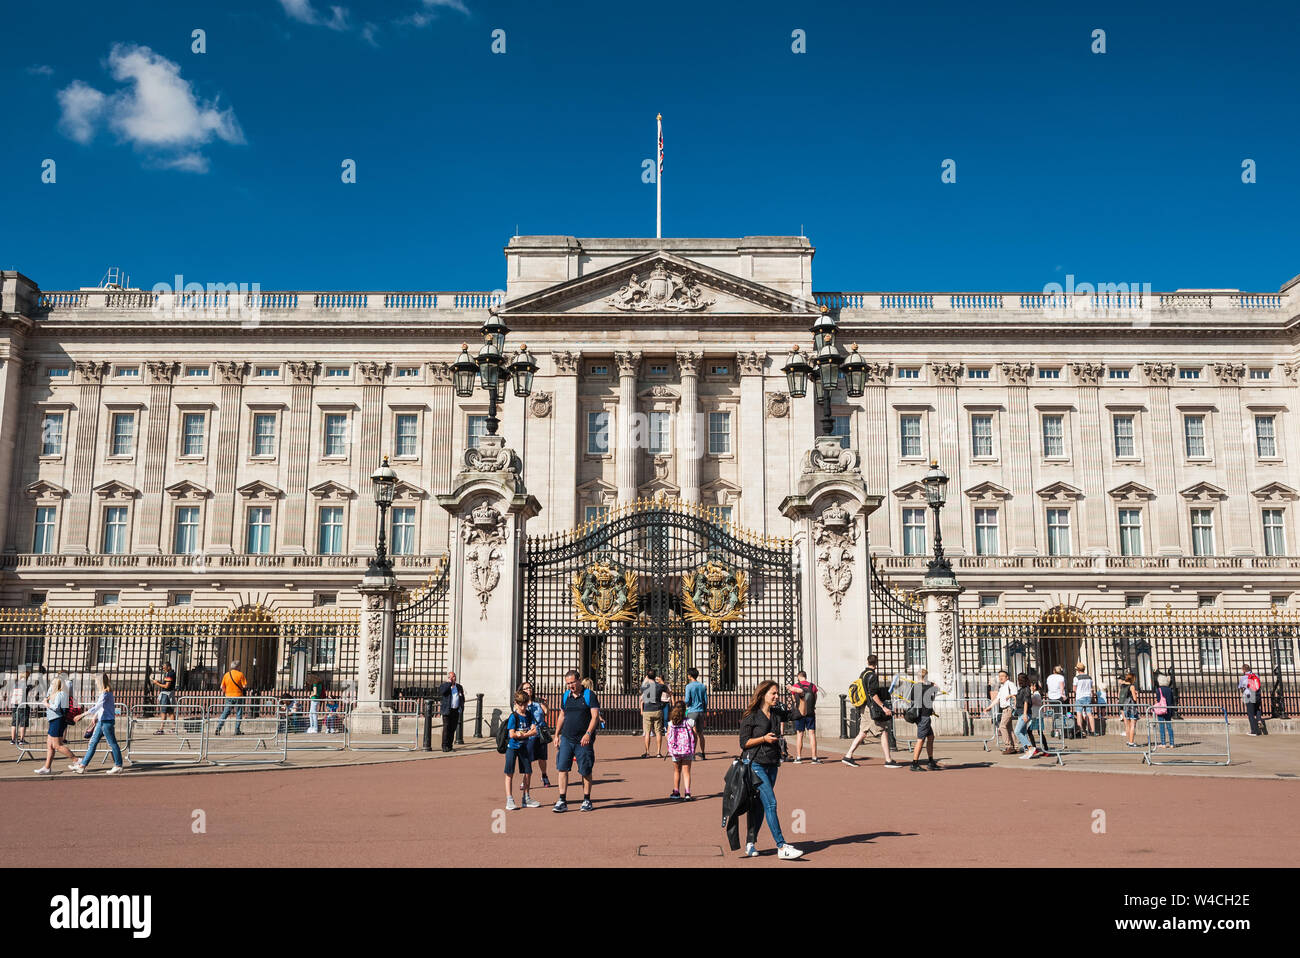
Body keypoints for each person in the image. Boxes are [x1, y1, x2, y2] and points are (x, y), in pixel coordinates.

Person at [738, 680, 803, 859]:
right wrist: (763, 739)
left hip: (772, 763)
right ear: (763, 694)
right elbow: (744, 743)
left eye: (777, 693)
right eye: (773, 693)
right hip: (755, 764)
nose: (776, 696)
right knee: (771, 803)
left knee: (760, 805)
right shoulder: (750, 715)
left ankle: (750, 843)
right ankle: (781, 846)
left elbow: (798, 714)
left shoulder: (776, 712)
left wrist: (802, 696)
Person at [842, 655, 902, 767]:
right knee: (883, 731)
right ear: (876, 663)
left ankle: (848, 755)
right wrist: (883, 707)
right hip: (871, 707)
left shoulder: (863, 674)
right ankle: (888, 760)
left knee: (863, 732)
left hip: (864, 707)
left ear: (867, 662)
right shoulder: (872, 676)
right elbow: (873, 694)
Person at [553, 669, 599, 813]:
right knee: (562, 768)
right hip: (567, 738)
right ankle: (562, 799)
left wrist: (588, 734)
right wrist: (556, 734)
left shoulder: (589, 695)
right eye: (568, 683)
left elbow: (595, 716)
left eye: (572, 682)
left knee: (585, 769)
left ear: (579, 680)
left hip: (583, 740)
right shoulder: (566, 696)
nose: (570, 686)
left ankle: (586, 799)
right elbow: (562, 715)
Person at [69, 673, 124, 774]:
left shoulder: (105, 693)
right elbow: (103, 708)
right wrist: (95, 717)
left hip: (106, 722)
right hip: (102, 721)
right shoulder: (106, 693)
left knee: (112, 744)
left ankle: (118, 765)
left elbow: (97, 707)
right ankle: (82, 766)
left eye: (96, 681)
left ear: (100, 682)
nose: (95, 683)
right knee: (93, 743)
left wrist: (82, 715)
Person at [503, 691, 541, 810]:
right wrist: (525, 734)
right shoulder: (513, 717)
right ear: (516, 704)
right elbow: (512, 734)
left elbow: (534, 730)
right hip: (513, 748)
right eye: (521, 705)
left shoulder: (529, 714)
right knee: (510, 773)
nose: (523, 707)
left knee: (527, 772)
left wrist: (523, 735)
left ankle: (526, 797)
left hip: (524, 747)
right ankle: (509, 799)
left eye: (525, 704)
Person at [35, 676, 77, 774]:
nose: (51, 685)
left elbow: (56, 707)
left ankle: (76, 760)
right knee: (50, 745)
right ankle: (47, 768)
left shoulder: (60, 693)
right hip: (53, 720)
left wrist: (46, 704)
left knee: (57, 746)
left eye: (53, 683)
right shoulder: (54, 693)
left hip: (57, 720)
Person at [907, 668, 942, 770]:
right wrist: (931, 683)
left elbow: (912, 700)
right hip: (924, 716)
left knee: (930, 737)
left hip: (919, 715)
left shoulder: (915, 686)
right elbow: (937, 690)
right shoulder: (929, 687)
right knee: (920, 739)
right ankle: (914, 763)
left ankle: (931, 761)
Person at [519, 680, 551, 787]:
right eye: (526, 688)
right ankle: (525, 779)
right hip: (529, 736)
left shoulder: (538, 703)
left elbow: (546, 713)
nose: (529, 690)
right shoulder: (521, 705)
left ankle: (544, 775)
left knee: (542, 758)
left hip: (540, 734)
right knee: (528, 759)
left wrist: (545, 704)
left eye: (530, 688)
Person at [786, 671, 821, 763]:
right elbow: (815, 697)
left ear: (798, 677)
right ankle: (814, 757)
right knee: (812, 734)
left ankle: (798, 757)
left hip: (799, 713)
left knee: (799, 734)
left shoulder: (796, 686)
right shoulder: (812, 686)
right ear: (806, 676)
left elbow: (794, 699)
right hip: (810, 712)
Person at [665, 700, 697, 799]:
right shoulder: (690, 722)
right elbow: (695, 736)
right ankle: (687, 793)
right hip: (687, 749)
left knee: (676, 771)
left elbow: (667, 736)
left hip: (675, 750)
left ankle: (676, 791)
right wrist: (693, 748)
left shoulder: (671, 723)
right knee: (686, 771)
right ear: (685, 711)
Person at [983, 669, 1018, 754]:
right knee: (1009, 728)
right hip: (1004, 709)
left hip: (1009, 708)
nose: (1000, 678)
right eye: (999, 676)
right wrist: (989, 707)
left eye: (1002, 676)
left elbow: (1015, 694)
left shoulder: (1010, 684)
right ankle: (1015, 747)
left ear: (1007, 677)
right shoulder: (1002, 687)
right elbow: (997, 699)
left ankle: (1008, 746)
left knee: (1002, 726)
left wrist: (1011, 700)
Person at [212, 660, 248, 736]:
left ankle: (218, 727)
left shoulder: (226, 675)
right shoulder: (240, 674)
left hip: (229, 696)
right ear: (238, 667)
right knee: (239, 713)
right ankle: (237, 730)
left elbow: (222, 686)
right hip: (238, 696)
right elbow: (244, 686)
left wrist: (225, 692)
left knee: (225, 712)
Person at [1012, 672, 1041, 759]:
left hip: (1024, 713)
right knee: (1023, 733)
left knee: (1017, 731)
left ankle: (1030, 747)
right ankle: (1027, 751)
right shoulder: (1021, 689)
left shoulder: (1026, 689)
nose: (1018, 681)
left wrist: (1024, 714)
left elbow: (1026, 702)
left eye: (1019, 680)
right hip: (1021, 713)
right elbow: (1019, 698)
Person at [683, 667, 708, 759]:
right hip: (701, 711)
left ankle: (692, 753)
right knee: (700, 733)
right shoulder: (702, 686)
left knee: (692, 733)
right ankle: (703, 753)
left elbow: (687, 700)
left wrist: (686, 705)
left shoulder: (689, 686)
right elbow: (705, 701)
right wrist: (705, 711)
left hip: (692, 711)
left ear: (690, 676)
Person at [640, 669, 664, 759]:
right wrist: (661, 681)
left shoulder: (644, 686)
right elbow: (668, 690)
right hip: (657, 709)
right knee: (658, 731)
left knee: (647, 732)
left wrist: (646, 679)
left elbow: (642, 688)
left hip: (647, 710)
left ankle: (647, 752)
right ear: (655, 676)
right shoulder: (660, 686)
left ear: (647, 676)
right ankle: (658, 752)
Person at [438, 671, 464, 752]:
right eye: (452, 677)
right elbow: (442, 692)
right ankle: (444, 746)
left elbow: (462, 697)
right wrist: (448, 684)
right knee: (446, 728)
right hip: (447, 710)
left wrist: (461, 706)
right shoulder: (444, 686)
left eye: (454, 676)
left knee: (452, 728)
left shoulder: (459, 687)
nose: (453, 678)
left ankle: (450, 746)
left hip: (455, 710)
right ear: (449, 678)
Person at [151, 660, 177, 735]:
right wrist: (159, 682)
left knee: (164, 711)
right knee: (170, 711)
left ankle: (161, 729)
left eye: (165, 668)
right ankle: (173, 728)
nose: (164, 669)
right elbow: (166, 684)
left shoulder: (170, 674)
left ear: (169, 667)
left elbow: (166, 686)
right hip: (168, 694)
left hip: (166, 695)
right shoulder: (170, 673)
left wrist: (157, 684)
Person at [1072, 663, 1096, 737]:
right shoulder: (1089, 677)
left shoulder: (1076, 678)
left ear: (1078, 670)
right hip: (1088, 696)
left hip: (1080, 697)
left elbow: (1074, 689)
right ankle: (1092, 731)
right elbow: (1091, 688)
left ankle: (1081, 730)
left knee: (1079, 713)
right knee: (1089, 713)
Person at [9, 669, 32, 747]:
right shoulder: (27, 685)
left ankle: (13, 739)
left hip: (15, 705)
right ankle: (21, 740)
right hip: (23, 705)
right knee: (23, 723)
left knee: (14, 723)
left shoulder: (16, 683)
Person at [1239, 664, 1263, 735]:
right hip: (1257, 694)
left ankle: (1253, 731)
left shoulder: (1243, 678)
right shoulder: (1256, 675)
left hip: (1249, 695)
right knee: (1257, 708)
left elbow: (1241, 687)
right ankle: (1259, 720)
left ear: (1243, 670)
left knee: (1250, 714)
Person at [1152, 674, 1175, 748]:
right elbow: (1172, 700)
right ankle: (1172, 743)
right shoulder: (1169, 689)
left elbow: (1159, 700)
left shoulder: (1158, 690)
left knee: (1162, 727)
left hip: (1161, 709)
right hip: (1168, 709)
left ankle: (1163, 743)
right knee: (1169, 727)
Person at [1118, 671, 1140, 747]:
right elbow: (1134, 698)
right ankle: (1131, 742)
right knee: (1133, 725)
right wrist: (1136, 694)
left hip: (1125, 706)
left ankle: (1129, 740)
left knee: (1127, 725)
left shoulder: (1122, 685)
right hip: (1132, 707)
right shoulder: (1132, 686)